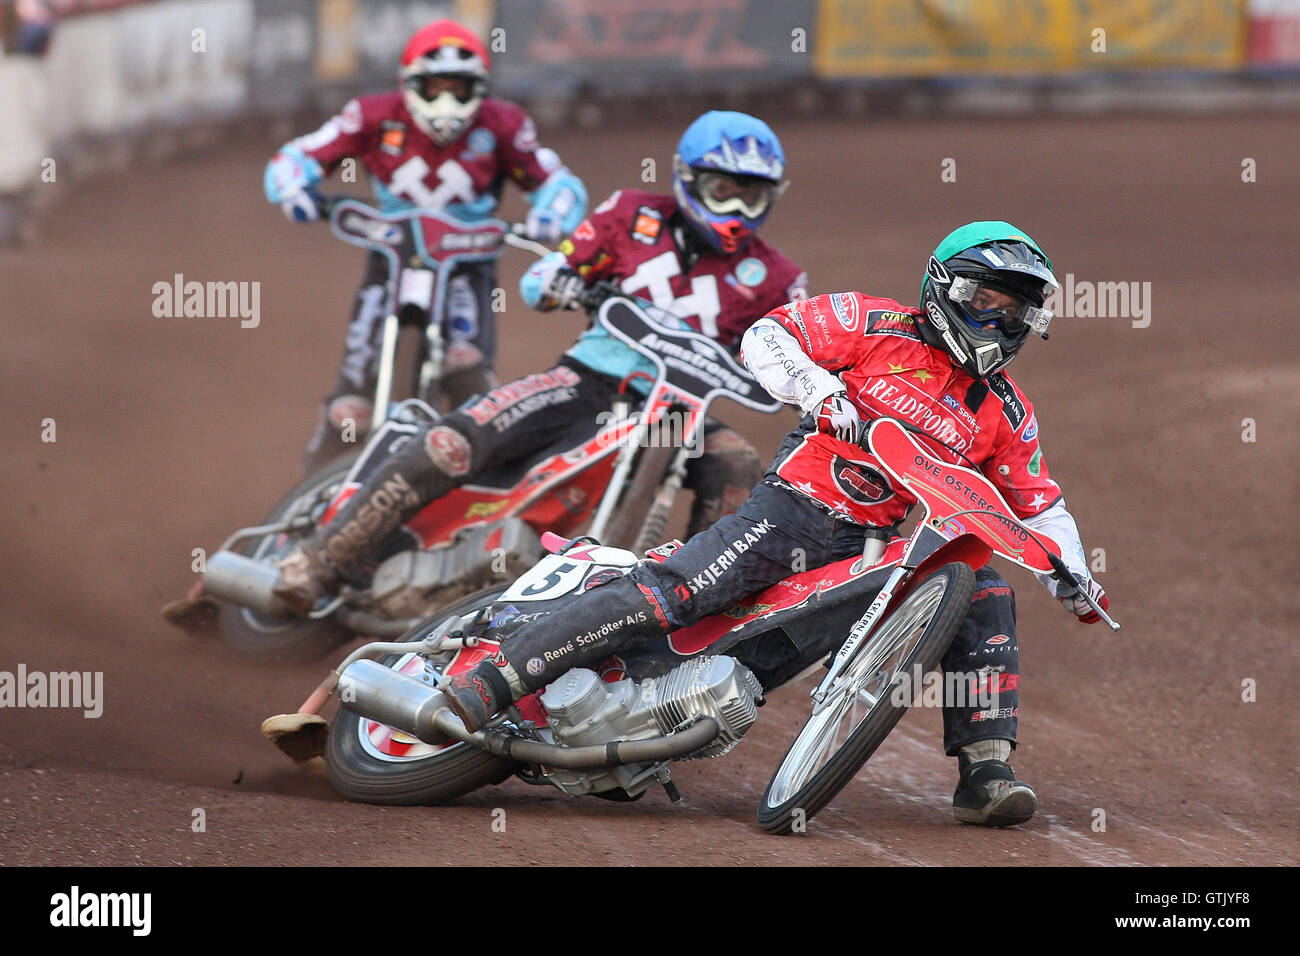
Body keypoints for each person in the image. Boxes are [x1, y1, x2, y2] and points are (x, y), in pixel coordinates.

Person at [437, 221, 1111, 828]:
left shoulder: (1008, 412)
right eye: (986, 301)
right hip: (793, 511)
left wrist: (1073, 576)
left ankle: (985, 774)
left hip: (872, 551)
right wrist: (817, 388)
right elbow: (770, 334)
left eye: (1016, 309)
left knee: (978, 591)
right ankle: (496, 676)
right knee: (679, 593)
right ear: (943, 288)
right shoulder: (874, 322)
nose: (999, 320)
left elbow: (1040, 506)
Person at [271, 111, 809, 616]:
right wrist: (562, 280)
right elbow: (543, 277)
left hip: (684, 410)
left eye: (752, 196)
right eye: (723, 192)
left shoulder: (780, 276)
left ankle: (694, 608)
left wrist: (811, 383)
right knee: (451, 441)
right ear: (688, 179)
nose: (736, 210)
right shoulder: (630, 214)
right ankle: (320, 562)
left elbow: (799, 348)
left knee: (738, 463)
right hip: (589, 381)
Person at [262, 19, 588, 472]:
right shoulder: (371, 114)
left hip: (468, 259)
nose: (447, 102)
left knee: (469, 374)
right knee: (351, 400)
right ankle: (311, 487)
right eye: (433, 88)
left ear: (482, 88)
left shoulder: (504, 123)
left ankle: (475, 486)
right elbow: (297, 156)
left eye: (460, 88)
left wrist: (551, 214)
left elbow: (556, 180)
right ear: (408, 83)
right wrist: (295, 188)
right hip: (391, 254)